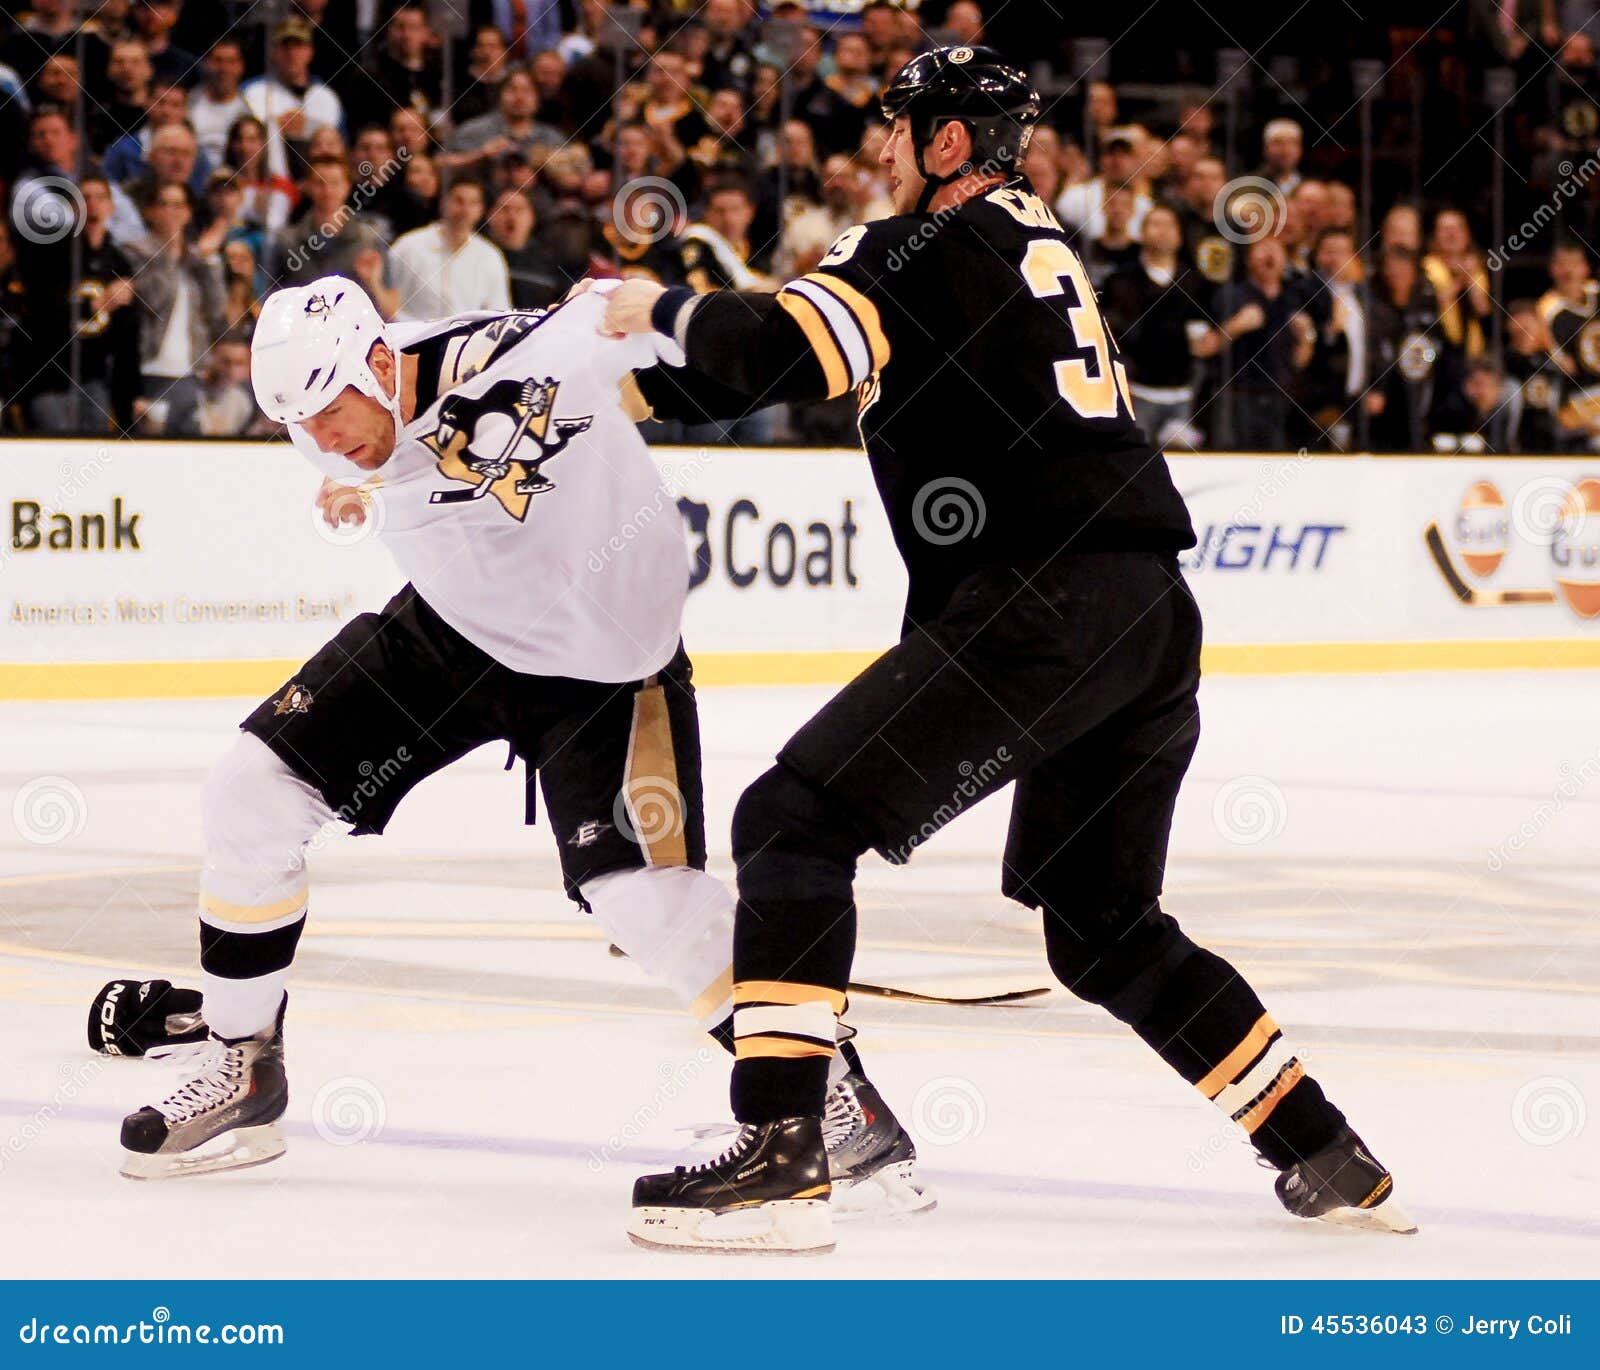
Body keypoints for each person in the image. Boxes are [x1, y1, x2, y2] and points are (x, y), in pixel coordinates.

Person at [600, 47, 1412, 1254]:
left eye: (894, 129)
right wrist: (606, 390)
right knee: (1099, 921)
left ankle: (779, 1148)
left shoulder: (909, 251)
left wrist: (645, 310)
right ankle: (1321, 1146)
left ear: (940, 144)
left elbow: (776, 350)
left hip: (1042, 605)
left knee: (790, 821)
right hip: (1145, 613)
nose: (875, 151)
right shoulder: (1029, 248)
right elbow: (780, 367)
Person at [111, 277, 927, 1223]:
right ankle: (241, 1063)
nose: (318, 436)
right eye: (297, 423)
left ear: (382, 364)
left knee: (642, 901)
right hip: (450, 634)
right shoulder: (329, 403)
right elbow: (368, 452)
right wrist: (351, 469)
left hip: (607, 668)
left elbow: (714, 350)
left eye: (331, 414)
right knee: (249, 790)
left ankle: (830, 1096)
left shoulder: (537, 352)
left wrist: (659, 307)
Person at [389, 179, 512, 321]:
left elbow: (499, 313)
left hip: (464, 339)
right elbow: (390, 301)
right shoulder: (409, 246)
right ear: (444, 202)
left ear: (481, 210)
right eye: (459, 201)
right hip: (411, 336)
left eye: (473, 203)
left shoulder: (490, 256)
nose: (465, 210)